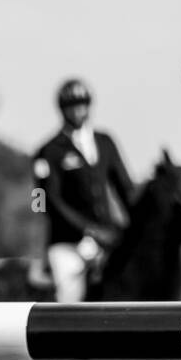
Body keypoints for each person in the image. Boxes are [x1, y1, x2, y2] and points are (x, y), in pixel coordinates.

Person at [32, 79, 136, 303]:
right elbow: (47, 202)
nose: (78, 111)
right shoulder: (48, 151)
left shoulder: (105, 141)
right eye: (72, 107)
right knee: (70, 296)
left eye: (82, 105)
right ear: (63, 110)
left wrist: (135, 223)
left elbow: (126, 189)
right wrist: (89, 230)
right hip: (68, 243)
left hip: (109, 238)